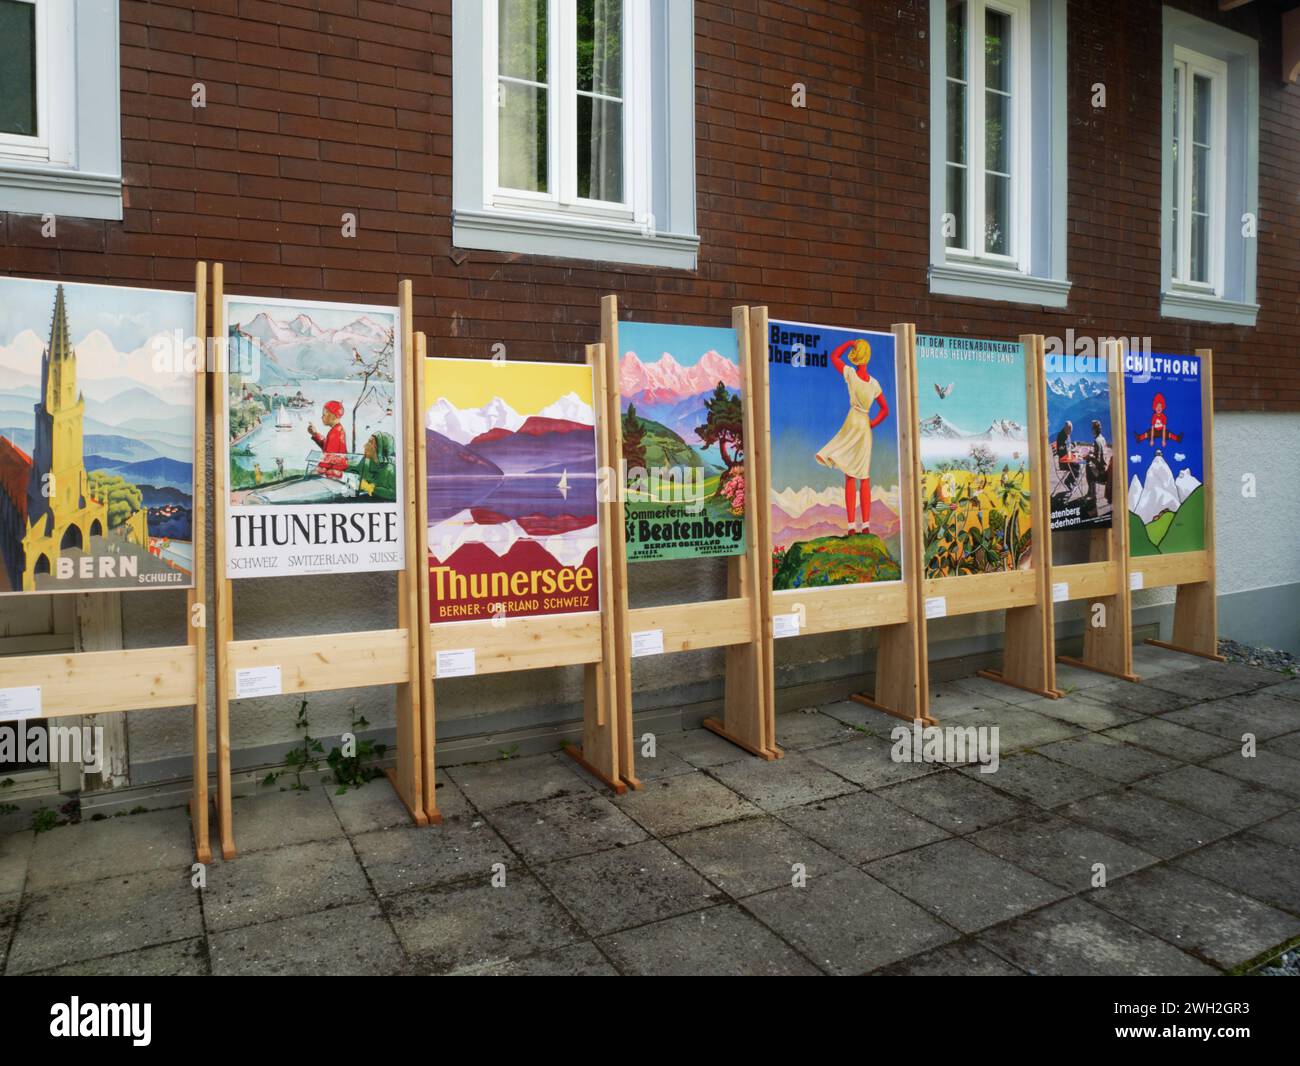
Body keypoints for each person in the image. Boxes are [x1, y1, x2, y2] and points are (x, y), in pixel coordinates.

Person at [815, 338, 889, 533]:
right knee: (864, 476)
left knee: (850, 475)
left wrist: (848, 343)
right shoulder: (874, 384)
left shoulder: (850, 374)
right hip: (864, 425)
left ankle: (850, 526)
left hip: (852, 421)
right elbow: (885, 410)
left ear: (857, 355)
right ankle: (865, 525)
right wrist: (872, 423)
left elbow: (833, 356)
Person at [308, 400, 348, 479]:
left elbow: (328, 458)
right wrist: (315, 434)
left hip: (334, 470)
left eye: (324, 414)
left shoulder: (335, 432)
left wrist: (320, 468)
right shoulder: (337, 429)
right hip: (335, 468)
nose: (321, 417)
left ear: (332, 416)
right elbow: (327, 447)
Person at [353, 431, 397, 501]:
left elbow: (394, 494)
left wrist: (370, 488)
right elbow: (355, 472)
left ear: (380, 448)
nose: (365, 445)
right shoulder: (366, 463)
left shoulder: (390, 470)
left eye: (370, 442)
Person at [1054, 420, 1081, 493]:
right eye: (1070, 431)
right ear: (1066, 429)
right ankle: (1068, 481)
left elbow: (1068, 445)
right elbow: (1061, 451)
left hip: (1067, 458)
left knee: (1077, 465)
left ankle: (1071, 481)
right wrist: (1071, 451)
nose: (1070, 433)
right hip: (1063, 461)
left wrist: (1072, 445)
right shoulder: (1061, 436)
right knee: (1077, 466)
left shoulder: (1065, 434)